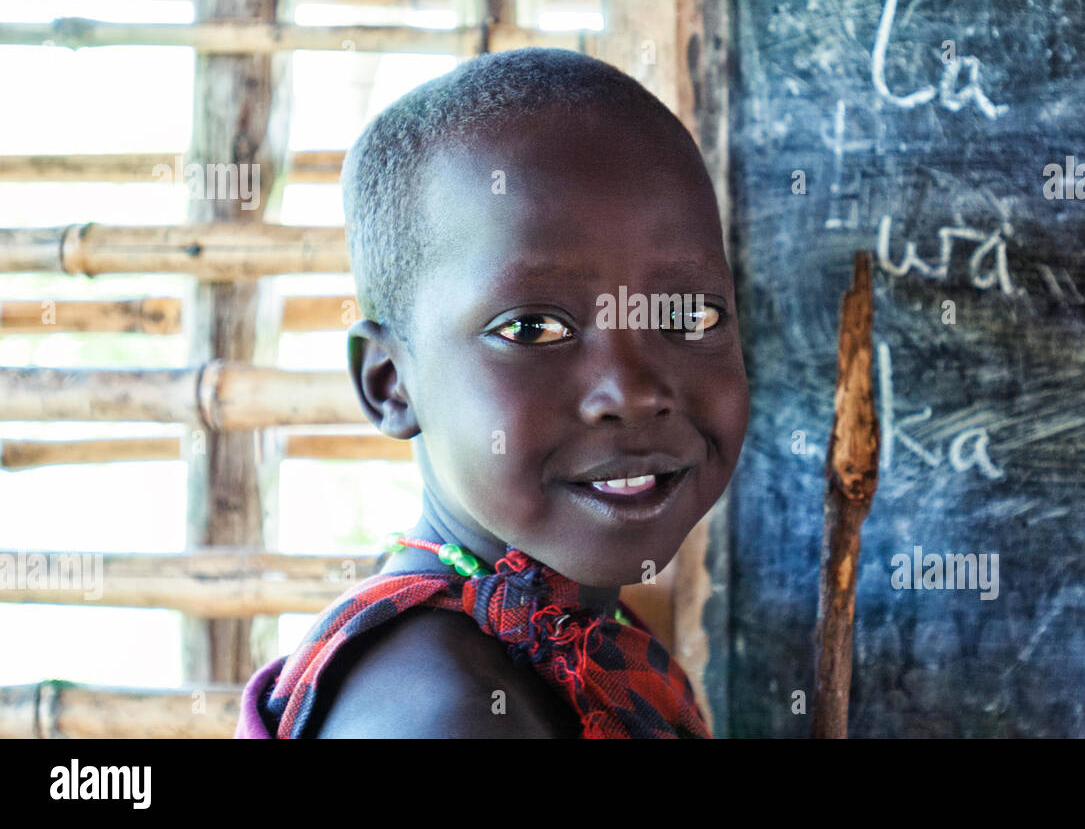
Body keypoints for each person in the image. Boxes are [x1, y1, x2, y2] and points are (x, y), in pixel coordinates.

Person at [234, 47, 750, 738]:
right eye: (533, 327)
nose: (632, 390)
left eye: (689, 315)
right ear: (390, 383)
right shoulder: (447, 712)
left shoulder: (577, 640)